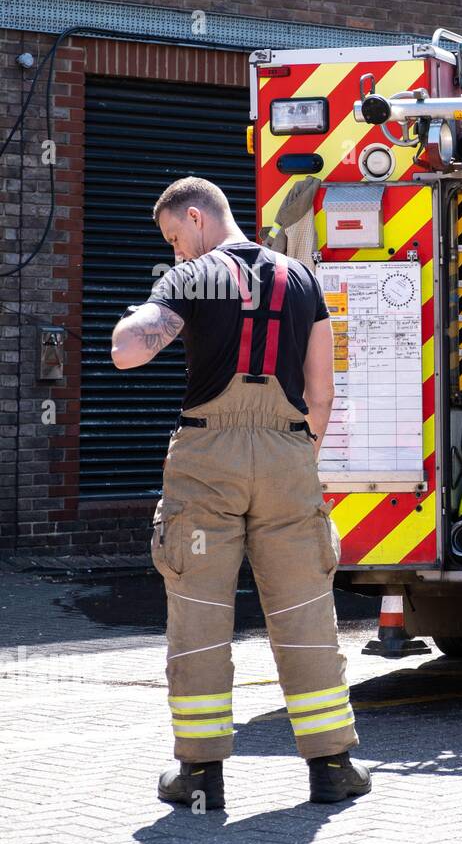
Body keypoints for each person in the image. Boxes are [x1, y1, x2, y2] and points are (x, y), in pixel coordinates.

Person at [111, 176, 370, 809]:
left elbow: (126, 352)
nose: (176, 252)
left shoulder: (191, 278)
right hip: (286, 456)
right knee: (306, 609)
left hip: (208, 461)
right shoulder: (302, 279)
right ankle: (332, 768)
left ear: (196, 218)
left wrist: (141, 321)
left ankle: (201, 777)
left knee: (200, 612)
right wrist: (297, 456)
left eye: (176, 238)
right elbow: (322, 393)